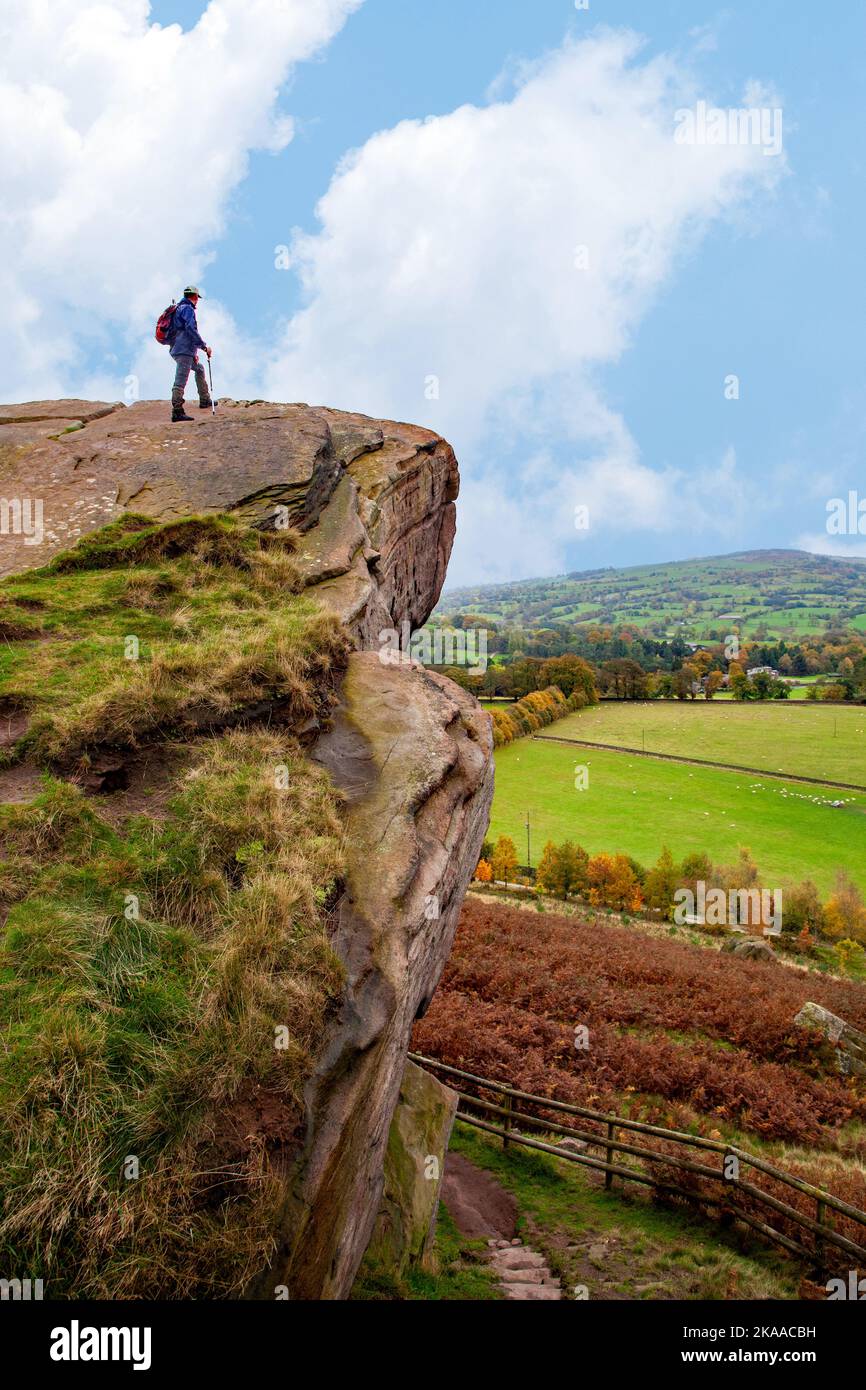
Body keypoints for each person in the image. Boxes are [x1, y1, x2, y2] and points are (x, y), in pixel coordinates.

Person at [169, 286, 214, 421]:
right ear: (194, 297)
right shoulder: (187, 309)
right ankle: (177, 412)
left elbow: (182, 331)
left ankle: (205, 399)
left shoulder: (178, 308)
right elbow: (190, 329)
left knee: (199, 369)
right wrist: (204, 346)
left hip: (180, 349)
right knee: (181, 380)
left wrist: (194, 351)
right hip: (183, 351)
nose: (197, 301)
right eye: (197, 298)